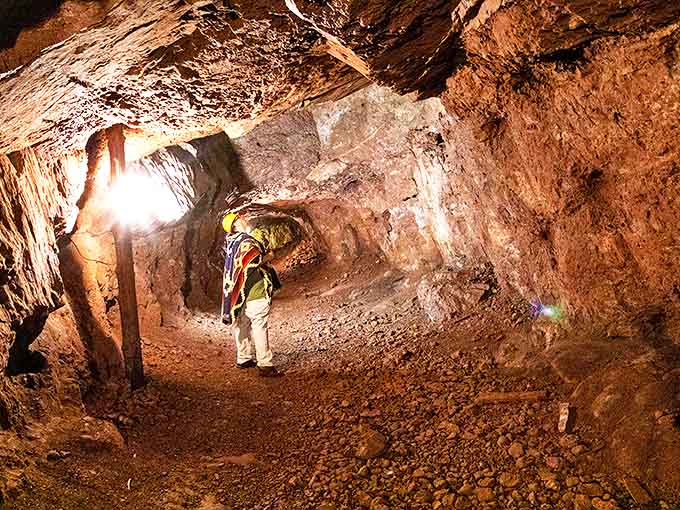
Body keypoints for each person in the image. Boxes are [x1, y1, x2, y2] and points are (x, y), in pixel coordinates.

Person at [221, 212, 282, 377]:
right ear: (236, 223)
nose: (244, 217)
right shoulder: (246, 241)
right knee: (259, 324)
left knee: (241, 323)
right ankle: (265, 364)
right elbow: (253, 261)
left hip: (237, 291)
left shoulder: (231, 243)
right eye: (240, 216)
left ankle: (244, 358)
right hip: (254, 290)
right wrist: (269, 256)